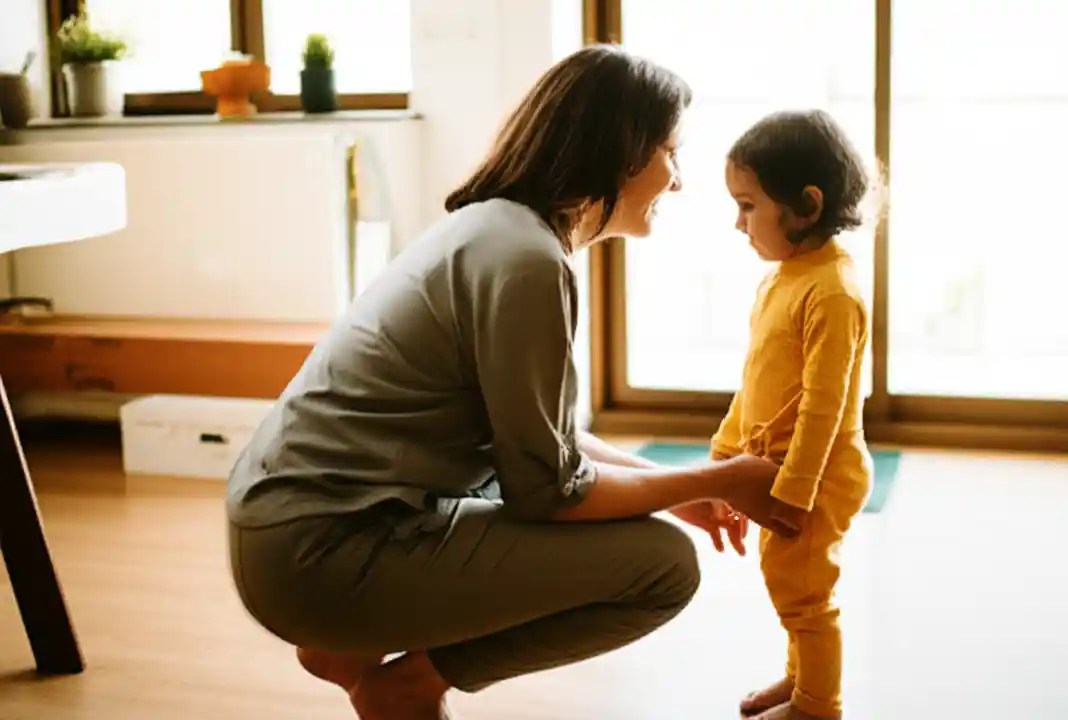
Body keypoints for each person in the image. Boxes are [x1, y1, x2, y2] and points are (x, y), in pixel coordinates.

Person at [224, 45, 793, 720]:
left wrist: (672, 489)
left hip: (286, 530)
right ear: (622, 150)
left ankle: (354, 650)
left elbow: (542, 439)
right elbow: (549, 491)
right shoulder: (526, 261)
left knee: (619, 521)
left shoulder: (494, 229)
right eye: (672, 152)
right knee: (665, 568)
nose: (677, 182)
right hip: (319, 553)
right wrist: (716, 480)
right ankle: (408, 680)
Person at [713, 110, 877, 720]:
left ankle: (816, 706)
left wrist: (796, 491)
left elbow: (825, 406)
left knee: (806, 596)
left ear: (807, 206)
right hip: (778, 471)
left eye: (748, 205)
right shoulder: (784, 277)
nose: (738, 222)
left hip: (816, 477)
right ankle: (798, 676)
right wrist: (724, 458)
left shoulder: (832, 290)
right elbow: (757, 382)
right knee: (789, 585)